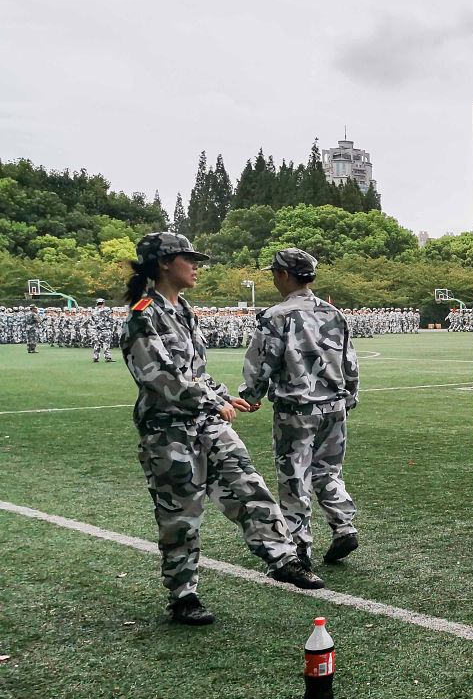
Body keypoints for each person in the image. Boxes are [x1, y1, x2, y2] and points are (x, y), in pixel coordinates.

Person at [121, 232, 323, 626]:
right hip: (169, 431)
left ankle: (284, 559)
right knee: (180, 515)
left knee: (249, 485)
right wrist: (214, 402)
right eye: (188, 258)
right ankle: (183, 596)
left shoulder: (185, 311)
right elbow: (160, 377)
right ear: (165, 263)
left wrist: (224, 396)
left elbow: (196, 371)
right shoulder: (144, 314)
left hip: (205, 424)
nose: (195, 265)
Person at [240, 248, 361, 570]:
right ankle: (344, 525)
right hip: (334, 405)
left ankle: (299, 546)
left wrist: (251, 394)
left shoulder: (276, 315)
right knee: (328, 471)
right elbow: (350, 361)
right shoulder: (333, 313)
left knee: (294, 476)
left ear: (283, 275)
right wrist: (349, 396)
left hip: (297, 407)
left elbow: (262, 361)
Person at [91, 297, 115, 362]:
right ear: (103, 303)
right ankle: (108, 358)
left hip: (96, 330)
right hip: (105, 330)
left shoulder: (94, 311)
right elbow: (111, 319)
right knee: (106, 344)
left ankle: (95, 358)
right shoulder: (106, 310)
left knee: (97, 344)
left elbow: (93, 320)